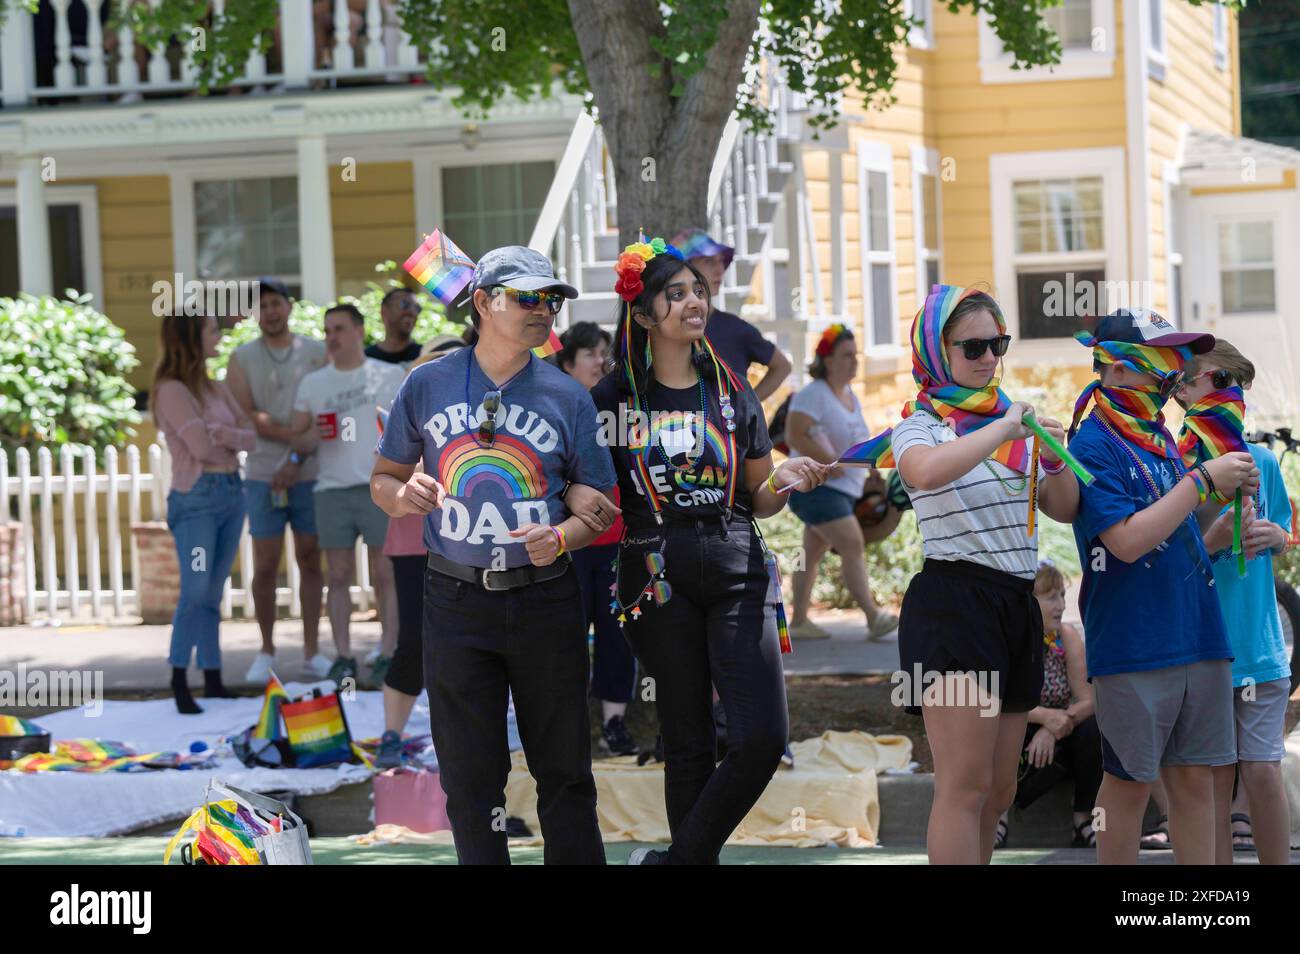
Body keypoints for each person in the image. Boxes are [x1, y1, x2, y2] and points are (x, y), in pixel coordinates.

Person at [371, 245, 619, 865]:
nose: (546, 311)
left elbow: (599, 500)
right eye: (530, 298)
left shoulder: (567, 395)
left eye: (553, 300)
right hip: (454, 600)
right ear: (483, 303)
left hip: (545, 598)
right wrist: (405, 495)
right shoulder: (425, 383)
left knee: (564, 773)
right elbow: (383, 478)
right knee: (469, 781)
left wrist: (564, 533)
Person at [591, 236, 832, 865]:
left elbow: (759, 493)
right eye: (675, 294)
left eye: (697, 290)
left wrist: (785, 479)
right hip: (653, 572)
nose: (693, 301)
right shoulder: (613, 397)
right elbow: (592, 491)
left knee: (761, 736)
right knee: (688, 740)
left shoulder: (730, 393)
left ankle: (675, 863)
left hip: (736, 564)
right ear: (643, 316)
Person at [851, 285, 1080, 865]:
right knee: (965, 786)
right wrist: (1004, 430)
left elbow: (1065, 505)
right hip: (954, 603)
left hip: (1016, 603)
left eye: (997, 342)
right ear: (936, 351)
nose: (988, 357)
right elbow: (923, 474)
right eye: (973, 345)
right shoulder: (920, 424)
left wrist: (1051, 458)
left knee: (1000, 791)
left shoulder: (1010, 423)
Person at [1065, 308, 1259, 866]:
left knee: (1197, 784)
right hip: (1134, 643)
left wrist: (1220, 526)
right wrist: (1201, 482)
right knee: (1127, 788)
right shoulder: (1094, 445)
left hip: (1195, 630)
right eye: (1167, 362)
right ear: (1122, 368)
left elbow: (1174, 526)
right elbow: (1125, 542)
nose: (1178, 375)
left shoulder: (1157, 435)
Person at [1173, 339, 1292, 865]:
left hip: (1259, 647)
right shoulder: (1177, 465)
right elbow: (1167, 550)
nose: (1233, 394)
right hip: (1203, 650)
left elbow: (1283, 529)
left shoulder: (1261, 461)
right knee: (1214, 781)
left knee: (1263, 770)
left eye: (1239, 385)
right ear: (1182, 390)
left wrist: (1271, 534)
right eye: (1219, 381)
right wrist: (1213, 536)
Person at [291, 303, 406, 687]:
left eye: (339, 329)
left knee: (385, 573)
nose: (332, 337)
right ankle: (343, 657)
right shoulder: (313, 383)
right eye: (327, 331)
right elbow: (299, 440)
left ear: (359, 331)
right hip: (332, 488)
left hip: (380, 482)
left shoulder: (389, 376)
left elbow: (407, 427)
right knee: (337, 575)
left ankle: (388, 653)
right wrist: (314, 437)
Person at [225, 278, 330, 683]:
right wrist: (294, 439)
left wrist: (300, 449)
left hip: (311, 470)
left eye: (276, 303)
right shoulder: (242, 357)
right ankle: (266, 650)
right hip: (263, 474)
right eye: (263, 305)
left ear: (289, 307)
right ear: (256, 312)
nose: (270, 311)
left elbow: (326, 409)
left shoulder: (317, 352)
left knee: (309, 558)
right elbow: (245, 414)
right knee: (266, 564)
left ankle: (311, 651)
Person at [151, 315, 256, 713]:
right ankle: (179, 677)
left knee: (213, 593)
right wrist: (228, 440)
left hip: (232, 492)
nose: (219, 336)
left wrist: (227, 436)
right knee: (195, 592)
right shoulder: (172, 390)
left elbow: (249, 434)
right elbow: (200, 448)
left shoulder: (214, 387)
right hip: (196, 498)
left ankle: (212, 677)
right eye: (212, 330)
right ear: (191, 339)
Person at [374, 338, 465, 769]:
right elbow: (386, 475)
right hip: (414, 541)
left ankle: (460, 741)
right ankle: (391, 735)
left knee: (464, 646)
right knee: (412, 640)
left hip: (467, 541)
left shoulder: (485, 407)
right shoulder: (405, 408)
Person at [784, 323, 899, 640]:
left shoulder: (850, 396)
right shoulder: (813, 394)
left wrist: (871, 466)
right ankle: (873, 616)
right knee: (852, 543)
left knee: (812, 550)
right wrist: (826, 460)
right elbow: (796, 434)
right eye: (846, 355)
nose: (854, 361)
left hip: (843, 490)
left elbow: (855, 441)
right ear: (829, 360)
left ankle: (800, 622)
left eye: (855, 355)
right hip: (816, 488)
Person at [559, 321, 641, 757]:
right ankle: (568, 729)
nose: (599, 361)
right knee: (565, 638)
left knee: (616, 636)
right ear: (567, 362)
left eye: (603, 353)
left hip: (616, 541)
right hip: (566, 546)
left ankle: (614, 723)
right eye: (590, 353)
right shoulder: (552, 406)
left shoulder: (618, 401)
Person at [994, 560, 1101, 849]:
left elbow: (1089, 700)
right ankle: (997, 818)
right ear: (1029, 602)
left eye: (1063, 596)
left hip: (1060, 733)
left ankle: (1083, 820)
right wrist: (1042, 718)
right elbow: (995, 701)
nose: (1061, 605)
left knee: (1095, 729)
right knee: (998, 729)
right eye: (1051, 597)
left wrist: (1053, 728)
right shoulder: (1009, 639)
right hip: (1020, 728)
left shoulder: (1066, 636)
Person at [670, 228, 791, 401]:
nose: (720, 270)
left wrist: (747, 406)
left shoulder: (735, 330)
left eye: (721, 261)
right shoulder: (663, 328)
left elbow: (782, 366)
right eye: (709, 261)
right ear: (684, 268)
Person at [365, 287, 424, 368]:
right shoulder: (366, 360)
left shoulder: (425, 357)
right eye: (405, 304)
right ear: (384, 311)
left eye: (417, 308)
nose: (412, 312)